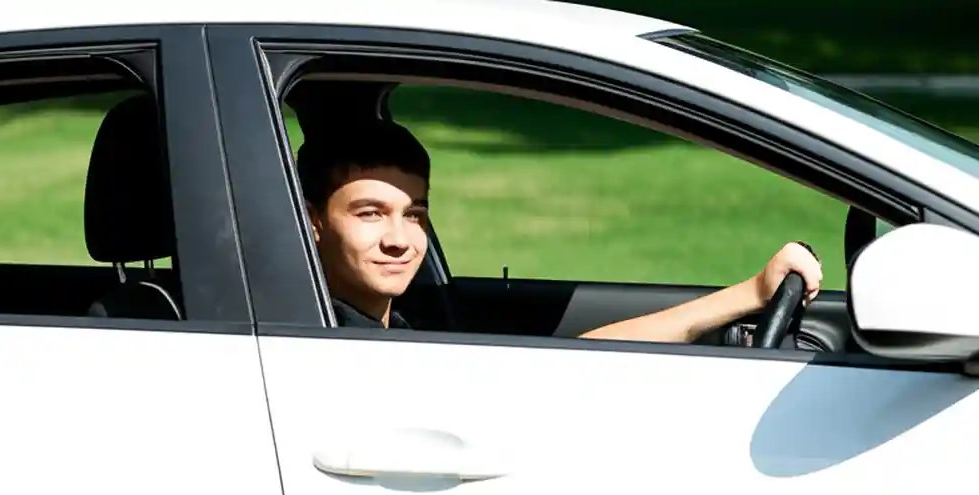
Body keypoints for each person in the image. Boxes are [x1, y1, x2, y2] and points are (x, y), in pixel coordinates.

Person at [296, 119, 823, 342]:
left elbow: (590, 352)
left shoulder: (399, 326)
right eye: (370, 213)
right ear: (313, 222)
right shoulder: (346, 346)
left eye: (414, 214)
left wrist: (752, 294)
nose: (400, 238)